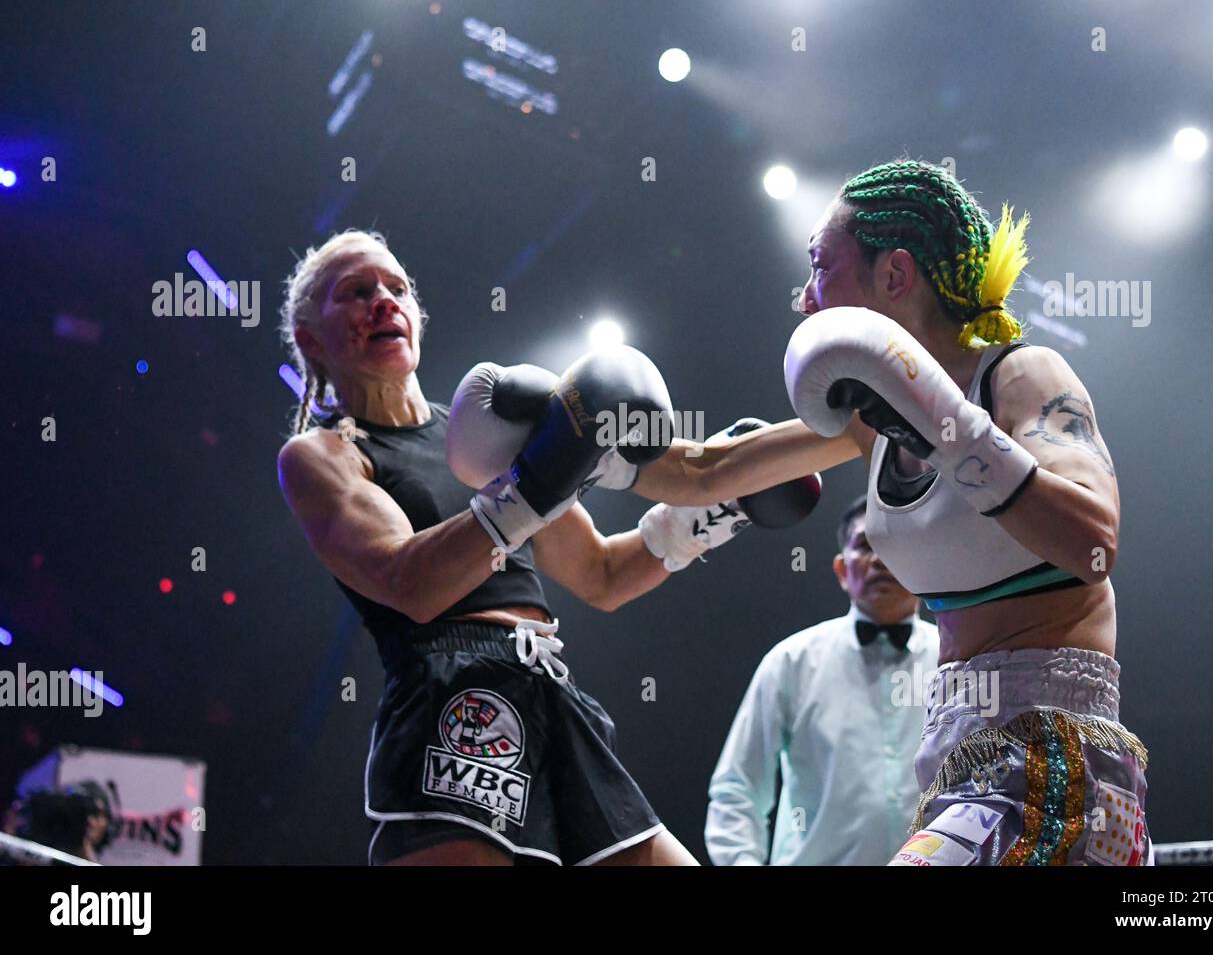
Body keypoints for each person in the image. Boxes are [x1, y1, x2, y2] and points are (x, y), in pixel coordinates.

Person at [274, 230, 843, 866]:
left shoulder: (485, 433)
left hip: (549, 687)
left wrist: (715, 513)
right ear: (310, 336)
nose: (384, 301)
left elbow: (602, 574)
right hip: (454, 699)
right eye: (356, 292)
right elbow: (411, 583)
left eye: (397, 288)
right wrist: (537, 481)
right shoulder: (325, 455)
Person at [781, 159, 1150, 866]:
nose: (804, 299)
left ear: (894, 275)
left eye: (820, 266)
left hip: (1050, 745)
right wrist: (566, 443)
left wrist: (950, 430)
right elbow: (698, 473)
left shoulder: (1022, 375)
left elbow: (1094, 541)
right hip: (958, 753)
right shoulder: (875, 419)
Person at [706, 495, 939, 865]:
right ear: (842, 570)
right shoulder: (791, 661)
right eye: (865, 546)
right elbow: (738, 790)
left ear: (925, 565)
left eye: (895, 545)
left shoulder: (958, 662)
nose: (880, 559)